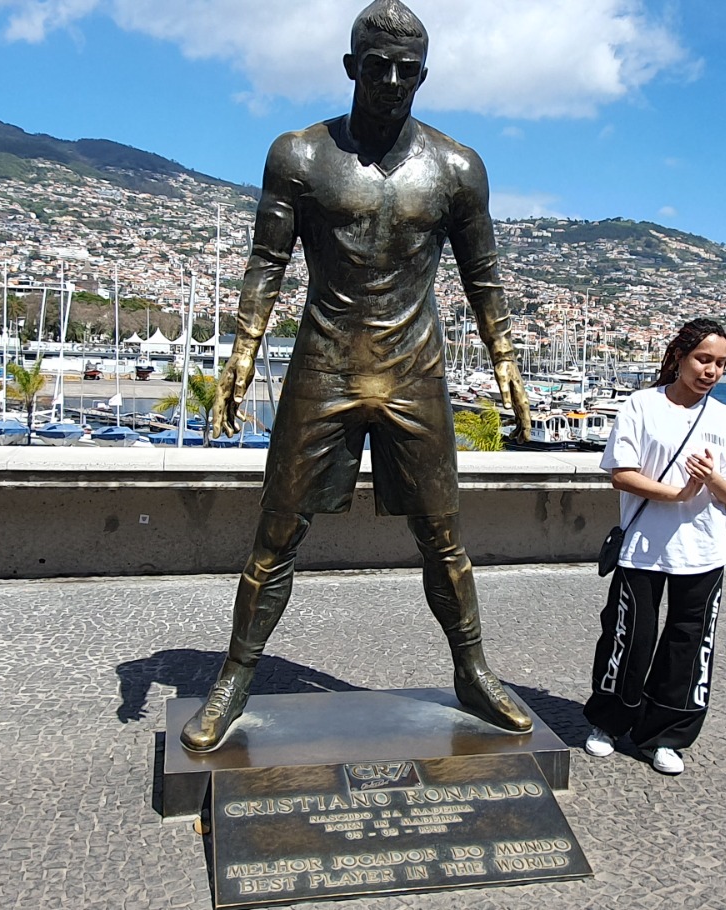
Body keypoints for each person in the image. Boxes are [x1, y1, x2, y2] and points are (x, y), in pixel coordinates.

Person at [179, 0, 537, 753]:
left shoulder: (458, 168)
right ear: (351, 67)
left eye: (408, 71)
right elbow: (267, 261)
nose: (393, 82)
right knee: (277, 532)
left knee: (443, 537)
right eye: (378, 67)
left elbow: (483, 275)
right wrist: (243, 350)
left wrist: (504, 357)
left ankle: (472, 669)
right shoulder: (300, 156)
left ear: (424, 75)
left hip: (414, 368)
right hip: (325, 363)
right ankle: (235, 676)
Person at [582, 319, 726, 775]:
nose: (711, 371)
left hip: (703, 552)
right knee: (630, 637)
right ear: (679, 357)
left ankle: (665, 735)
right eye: (703, 359)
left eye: (720, 363)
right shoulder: (642, 406)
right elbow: (621, 474)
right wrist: (677, 494)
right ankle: (609, 721)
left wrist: (711, 479)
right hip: (643, 547)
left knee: (689, 645)